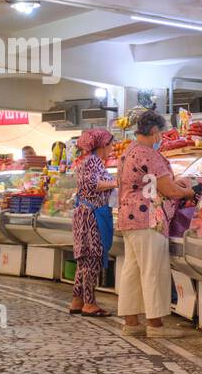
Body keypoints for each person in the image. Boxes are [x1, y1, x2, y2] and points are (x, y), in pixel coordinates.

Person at [117, 111, 193, 338]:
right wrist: (187, 191)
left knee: (132, 271)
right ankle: (155, 325)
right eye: (160, 132)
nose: (161, 137)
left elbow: (150, 183)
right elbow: (168, 190)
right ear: (153, 131)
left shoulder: (129, 151)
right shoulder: (148, 154)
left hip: (128, 218)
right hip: (149, 219)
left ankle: (131, 323)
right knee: (153, 271)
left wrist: (172, 183)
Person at [69, 128, 116, 317]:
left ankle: (77, 301)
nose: (112, 147)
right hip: (91, 216)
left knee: (84, 261)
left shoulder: (89, 161)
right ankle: (90, 304)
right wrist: (117, 183)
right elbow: (92, 185)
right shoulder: (93, 161)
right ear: (103, 145)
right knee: (91, 259)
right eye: (111, 144)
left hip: (87, 214)